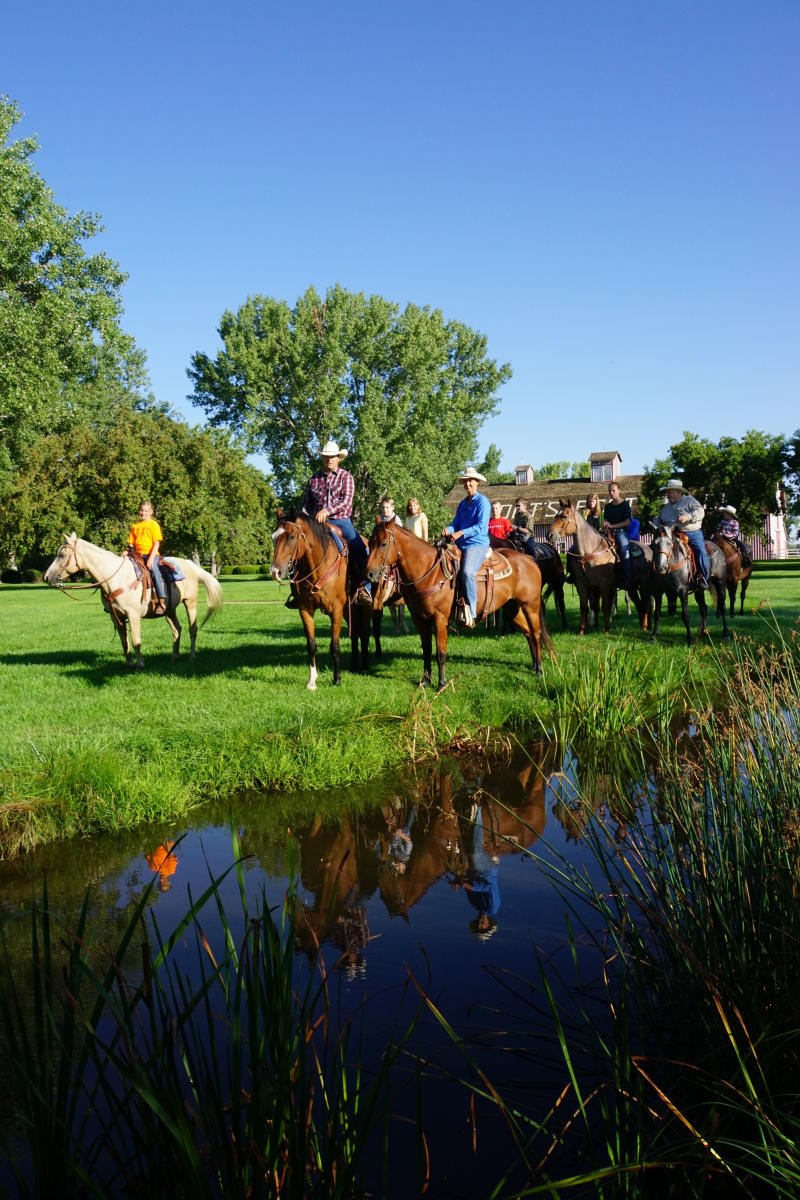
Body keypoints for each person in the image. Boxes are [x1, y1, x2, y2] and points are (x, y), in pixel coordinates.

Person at [300, 440, 371, 605]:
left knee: (359, 548)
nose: (329, 459)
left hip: (341, 521)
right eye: (326, 457)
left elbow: (346, 501)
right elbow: (305, 504)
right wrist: (303, 519)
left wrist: (326, 511)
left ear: (338, 458)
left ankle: (363, 588)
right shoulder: (314, 479)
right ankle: (298, 590)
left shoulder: (346, 477)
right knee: (296, 545)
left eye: (332, 457)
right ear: (322, 458)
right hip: (316, 524)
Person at [441, 467, 491, 628]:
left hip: (477, 543)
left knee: (468, 572)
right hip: (460, 543)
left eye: (471, 480)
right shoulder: (462, 503)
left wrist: (460, 533)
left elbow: (481, 526)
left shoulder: (483, 502)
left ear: (477, 483)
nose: (468, 483)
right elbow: (455, 523)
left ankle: (473, 611)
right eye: (465, 481)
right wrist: (448, 530)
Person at [656, 479, 710, 588]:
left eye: (671, 491)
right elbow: (659, 520)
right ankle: (658, 576)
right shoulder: (665, 507)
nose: (668, 494)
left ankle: (704, 577)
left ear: (679, 492)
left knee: (700, 551)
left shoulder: (690, 500)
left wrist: (688, 517)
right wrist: (656, 524)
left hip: (692, 532)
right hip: (672, 535)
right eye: (668, 492)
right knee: (658, 549)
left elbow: (701, 512)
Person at [124, 500, 167, 615]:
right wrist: (126, 552)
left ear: (151, 512)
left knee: (154, 571)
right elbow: (131, 544)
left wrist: (152, 558)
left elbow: (156, 543)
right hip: (137, 555)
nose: (143, 513)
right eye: (141, 510)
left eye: (146, 511)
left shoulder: (153, 525)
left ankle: (161, 601)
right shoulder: (135, 526)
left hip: (151, 554)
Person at [379, 495, 409, 633]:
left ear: (392, 508)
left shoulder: (396, 520)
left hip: (393, 553)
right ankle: (396, 625)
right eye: (383, 507)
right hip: (383, 553)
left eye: (387, 507)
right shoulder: (380, 520)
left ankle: (402, 589)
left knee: (401, 572)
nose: (385, 510)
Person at [601, 481, 633, 586]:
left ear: (619, 491)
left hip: (621, 532)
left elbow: (627, 522)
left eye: (613, 490)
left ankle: (628, 579)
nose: (611, 493)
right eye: (609, 491)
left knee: (624, 550)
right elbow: (606, 520)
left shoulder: (625, 505)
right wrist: (605, 523)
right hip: (608, 533)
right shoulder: (608, 507)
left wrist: (612, 526)